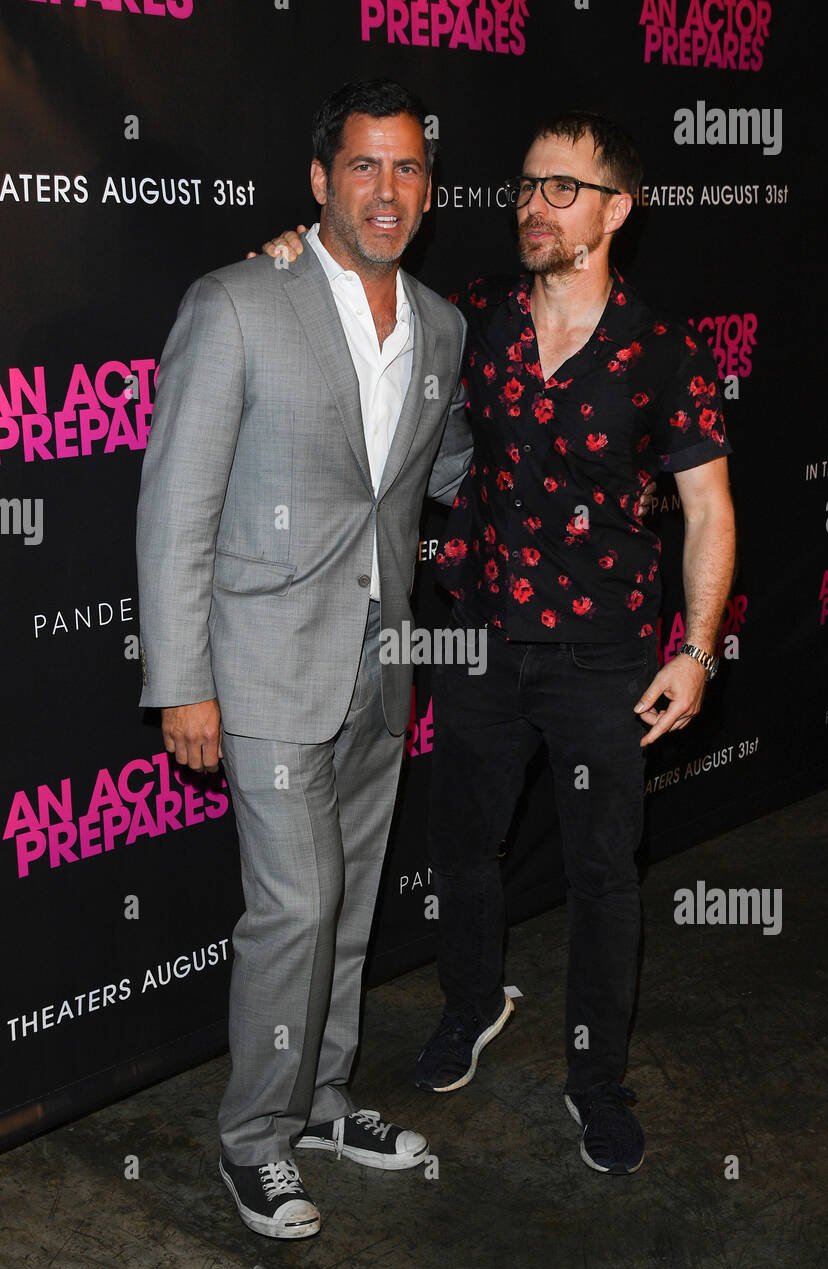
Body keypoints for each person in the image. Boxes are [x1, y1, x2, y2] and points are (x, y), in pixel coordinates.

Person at [265, 109, 736, 1180]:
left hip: (606, 659)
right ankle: (470, 1005)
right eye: (525, 185)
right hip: (473, 638)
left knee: (601, 874)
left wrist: (695, 649)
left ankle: (594, 1080)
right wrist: (291, 252)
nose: (531, 205)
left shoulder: (662, 353)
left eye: (560, 189)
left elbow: (706, 510)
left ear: (617, 209)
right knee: (461, 849)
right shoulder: (466, 317)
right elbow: (351, 291)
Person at [135, 79, 473, 1240]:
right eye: (366, 166)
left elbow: (450, 471)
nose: (389, 190)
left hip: (381, 665)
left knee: (349, 905)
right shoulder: (236, 303)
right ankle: (254, 1139)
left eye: (411, 168)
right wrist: (182, 677)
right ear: (320, 180)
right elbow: (175, 504)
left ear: (429, 190)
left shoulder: (441, 326)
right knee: (295, 907)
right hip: (266, 665)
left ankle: (321, 1100)